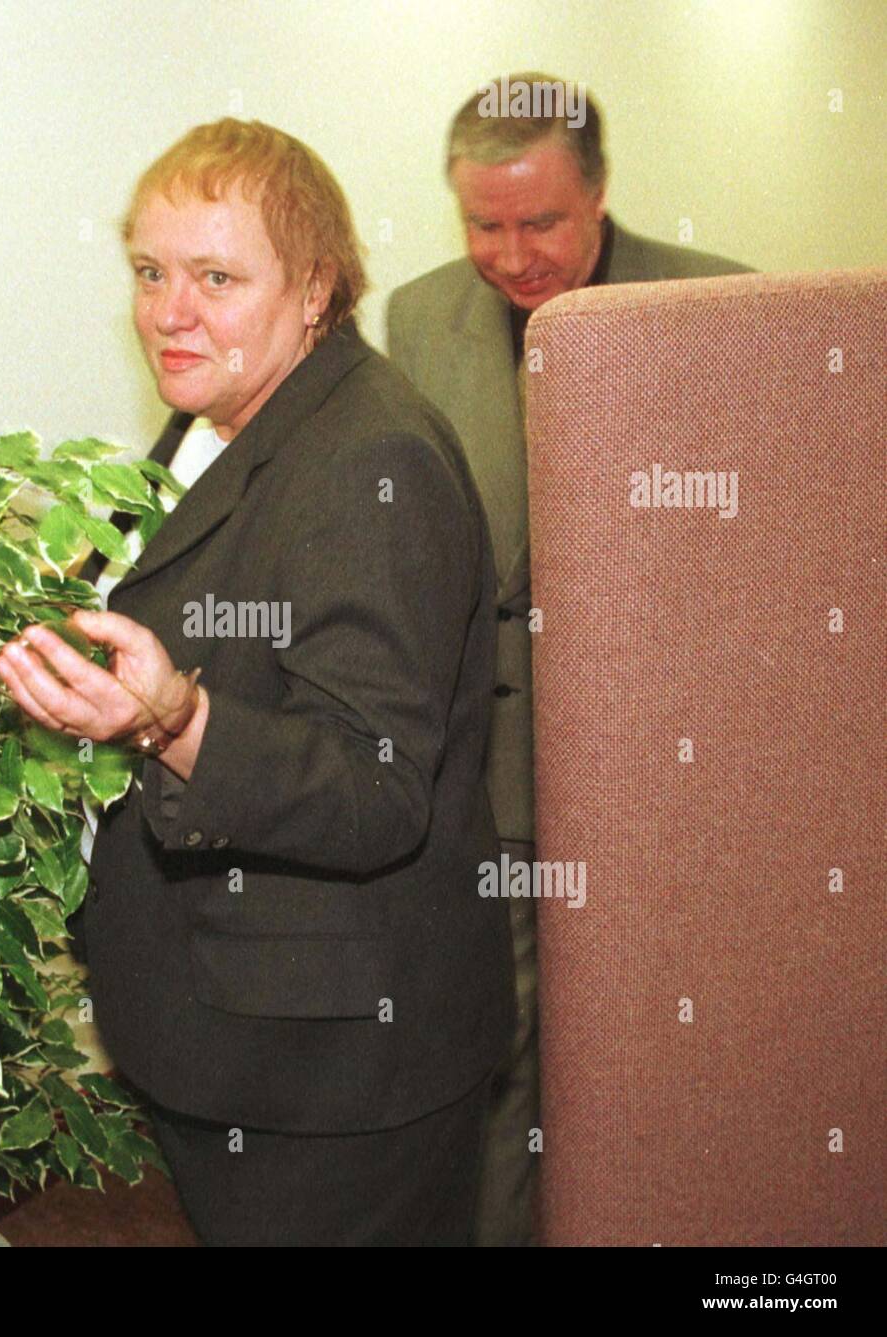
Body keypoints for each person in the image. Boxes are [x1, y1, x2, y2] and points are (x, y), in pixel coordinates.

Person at [0, 117, 514, 1246]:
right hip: (228, 1034)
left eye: (216, 277)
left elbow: (376, 788)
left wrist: (174, 717)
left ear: (316, 286)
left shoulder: (372, 458)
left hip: (334, 1075)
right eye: (149, 271)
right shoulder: (207, 423)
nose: (169, 311)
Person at [386, 73, 752, 1246]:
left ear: (598, 195)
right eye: (482, 225)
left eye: (539, 221)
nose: (511, 254)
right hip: (489, 782)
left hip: (665, 786)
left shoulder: (726, 311)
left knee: (666, 1055)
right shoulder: (414, 316)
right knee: (503, 1058)